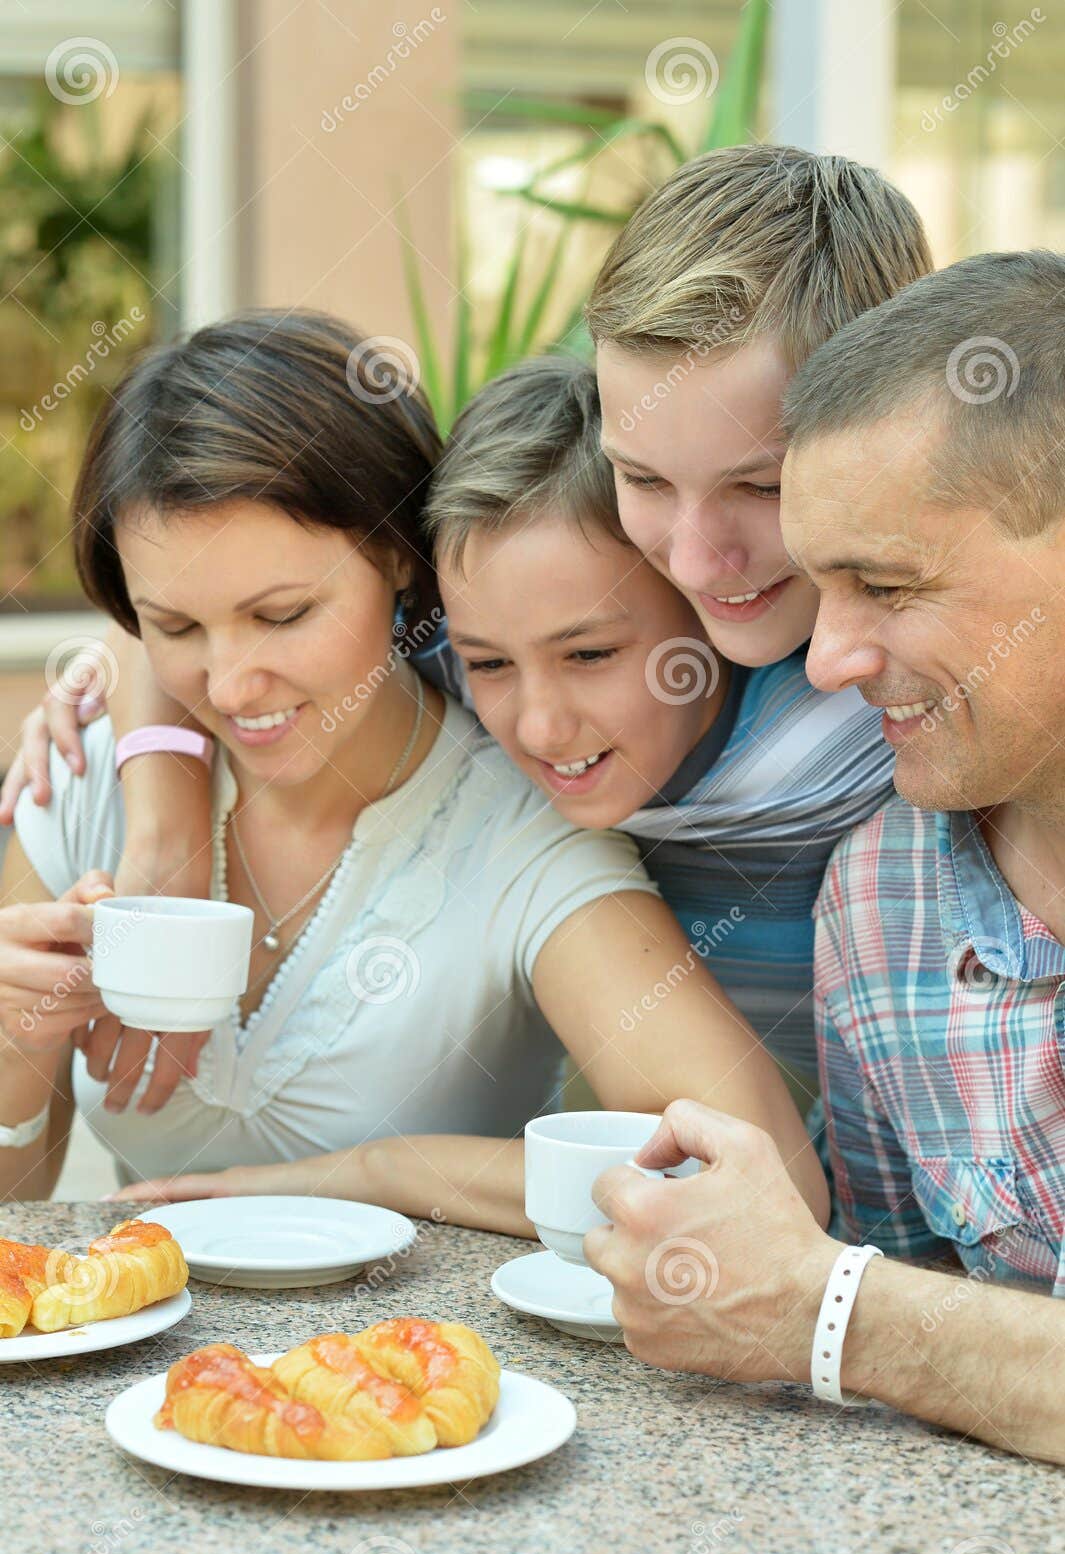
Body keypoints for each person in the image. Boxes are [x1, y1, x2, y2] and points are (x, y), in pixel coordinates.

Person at [3, 145, 932, 1122]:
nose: (695, 559)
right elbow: (218, 605)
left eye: (762, 486)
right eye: (645, 479)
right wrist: (162, 804)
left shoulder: (914, 691)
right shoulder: (492, 623)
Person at [0, 309, 823, 1227]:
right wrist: (11, 1049)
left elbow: (766, 1177)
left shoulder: (516, 829)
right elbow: (15, 1219)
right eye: (177, 627)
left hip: (430, 1364)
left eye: (282, 616)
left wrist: (378, 1172)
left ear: (398, 555)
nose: (230, 685)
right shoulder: (85, 781)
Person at [585, 252, 1065, 1466]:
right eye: (823, 581)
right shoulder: (878, 897)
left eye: (887, 585)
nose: (827, 659)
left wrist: (827, 1311)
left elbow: (860, 1319)